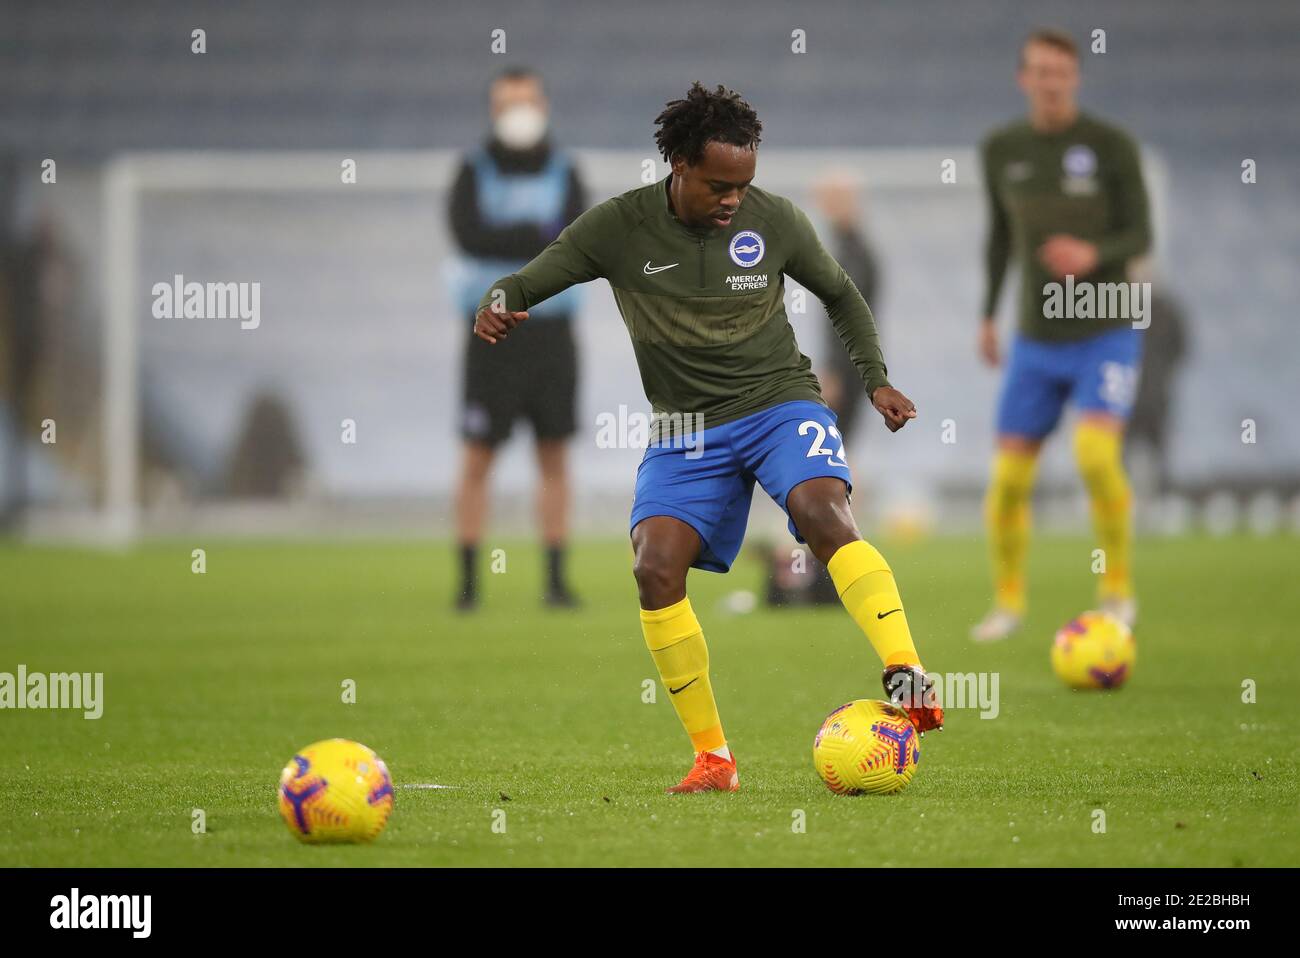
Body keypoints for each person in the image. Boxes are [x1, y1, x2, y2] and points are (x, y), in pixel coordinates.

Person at [473, 82, 943, 794]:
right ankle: (714, 760)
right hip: (686, 429)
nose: (733, 199)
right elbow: (535, 278)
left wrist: (875, 379)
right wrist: (501, 301)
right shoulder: (619, 228)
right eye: (719, 185)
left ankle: (906, 672)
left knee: (821, 512)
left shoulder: (774, 221)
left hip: (780, 402)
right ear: (678, 166)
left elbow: (841, 294)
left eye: (743, 184)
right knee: (654, 567)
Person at [973, 29, 1151, 642]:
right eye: (1041, 73)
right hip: (1035, 338)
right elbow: (999, 237)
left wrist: (1092, 251)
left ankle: (1117, 589)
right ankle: (1008, 604)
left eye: (1061, 73)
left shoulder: (1110, 146)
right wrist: (987, 315)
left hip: (1107, 326)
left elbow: (1141, 235)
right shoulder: (1001, 149)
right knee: (1008, 481)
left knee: (1096, 457)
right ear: (1025, 79)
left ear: (1074, 78)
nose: (1052, 83)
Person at [449, 67, 587, 610]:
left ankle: (555, 581)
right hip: (490, 332)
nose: (518, 112)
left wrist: (513, 239)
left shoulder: (564, 169)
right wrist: (536, 233)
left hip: (552, 331)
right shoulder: (472, 170)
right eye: (508, 103)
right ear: (493, 109)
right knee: (478, 454)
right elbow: (467, 233)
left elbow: (576, 238)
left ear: (543, 104)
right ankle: (468, 583)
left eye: (526, 101)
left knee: (553, 453)